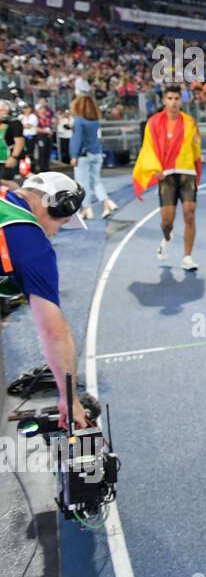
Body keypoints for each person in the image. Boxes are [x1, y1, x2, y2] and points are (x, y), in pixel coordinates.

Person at [0, 172, 90, 431]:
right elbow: (53, 331)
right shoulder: (32, 245)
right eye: (61, 223)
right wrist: (70, 399)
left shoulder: (6, 195)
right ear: (52, 205)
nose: (56, 232)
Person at [132, 84, 202, 271]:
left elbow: (196, 148)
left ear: (181, 100)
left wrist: (197, 167)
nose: (173, 102)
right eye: (169, 99)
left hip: (187, 174)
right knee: (167, 221)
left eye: (176, 99)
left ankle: (187, 257)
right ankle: (167, 237)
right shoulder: (154, 123)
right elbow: (148, 148)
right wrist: (155, 169)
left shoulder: (190, 122)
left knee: (189, 214)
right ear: (164, 101)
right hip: (167, 175)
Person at [70, 93, 117, 220]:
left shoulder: (79, 121)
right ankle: (107, 203)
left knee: (82, 184)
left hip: (84, 155)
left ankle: (87, 208)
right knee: (96, 181)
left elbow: (77, 139)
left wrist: (74, 155)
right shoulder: (95, 121)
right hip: (96, 153)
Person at [0, 100, 27, 181]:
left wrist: (13, 157)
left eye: (3, 110)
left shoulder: (14, 123)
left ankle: (18, 193)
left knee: (5, 182)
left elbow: (19, 142)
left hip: (8, 158)